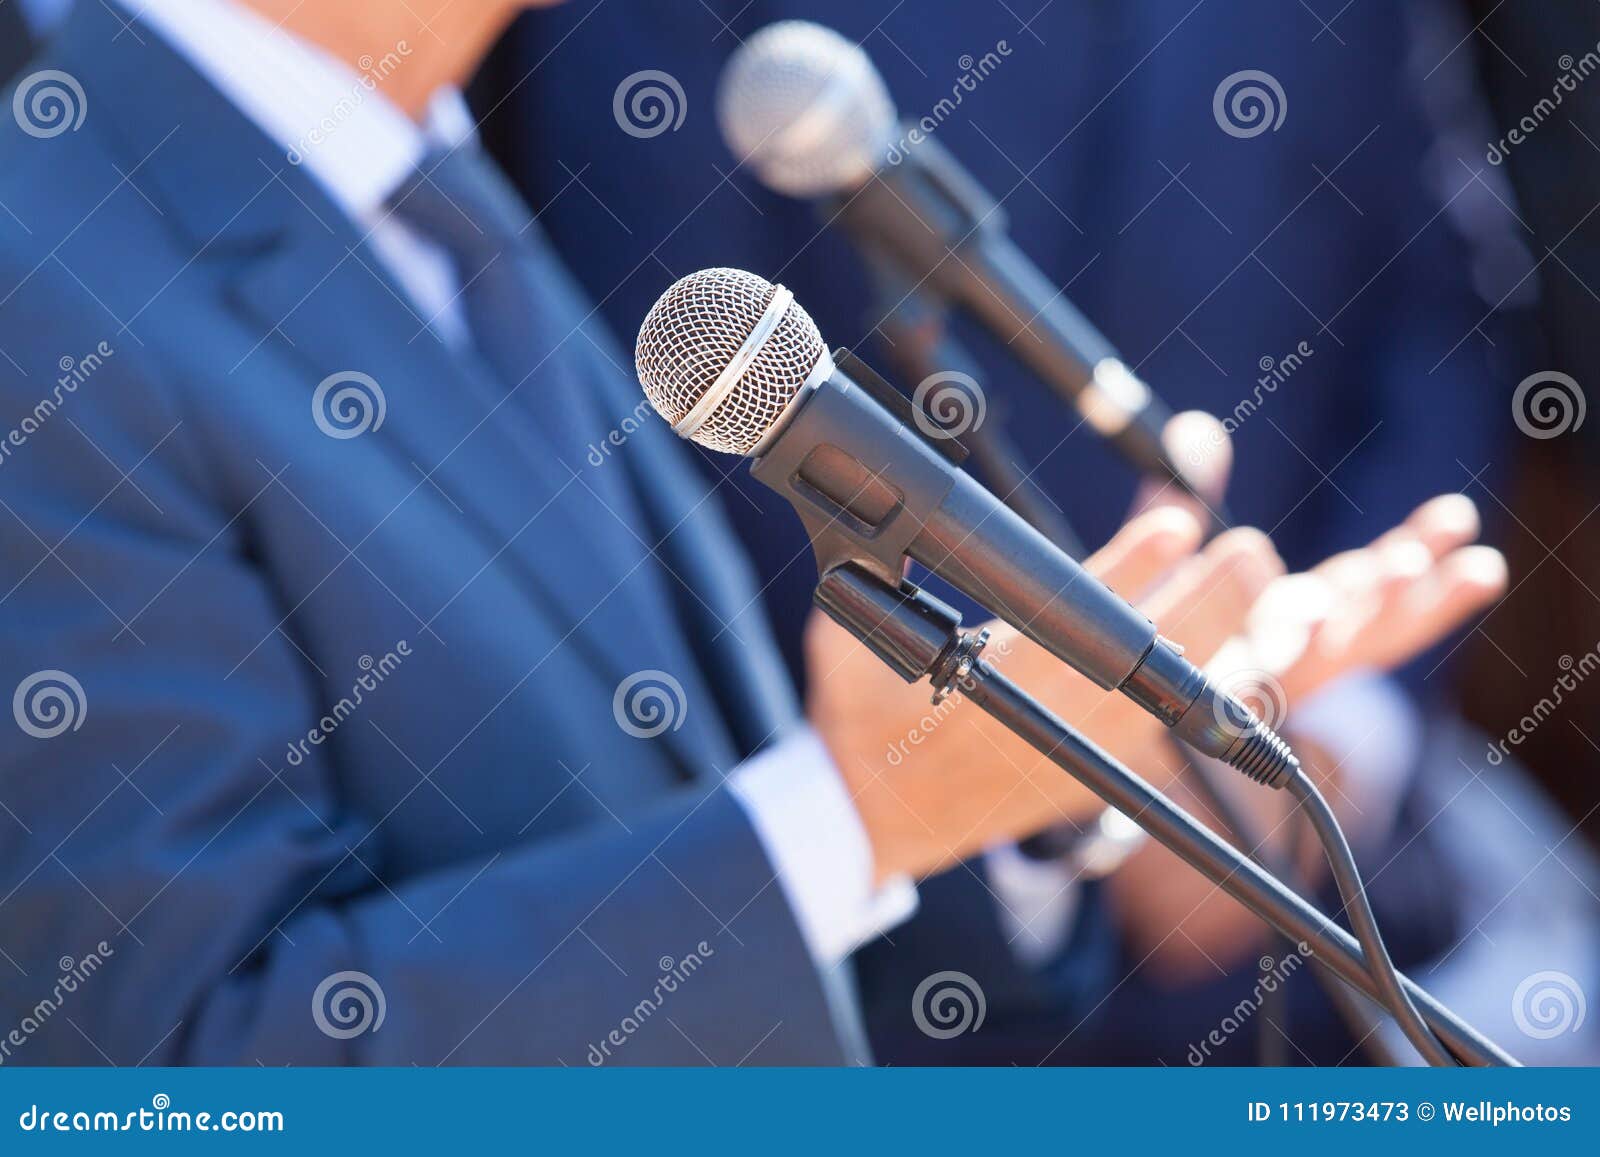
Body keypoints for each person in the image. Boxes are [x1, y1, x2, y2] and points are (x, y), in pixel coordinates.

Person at [0, 0, 1501, 1067]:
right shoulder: (43, 287)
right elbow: (170, 1078)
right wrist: (855, 815)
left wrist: (1036, 802)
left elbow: (706, 839)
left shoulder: (428, 194)